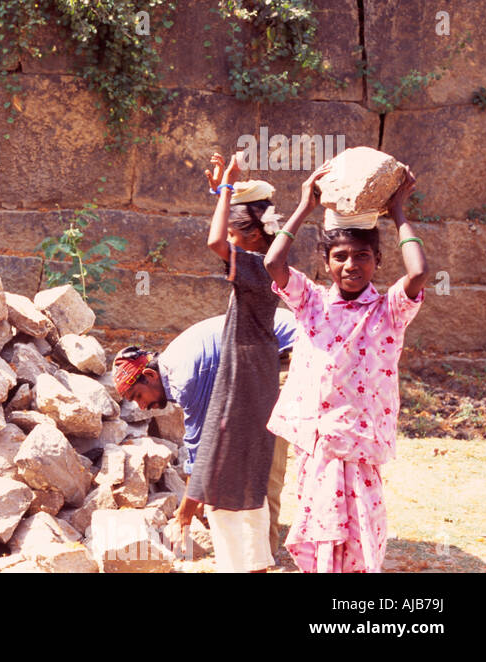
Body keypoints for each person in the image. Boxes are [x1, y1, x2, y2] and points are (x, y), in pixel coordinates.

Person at [263, 161, 425, 573]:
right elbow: (273, 265)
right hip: (319, 444)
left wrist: (399, 212)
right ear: (326, 260)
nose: (352, 265)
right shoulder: (311, 302)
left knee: (362, 535)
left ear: (377, 260)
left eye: (363, 256)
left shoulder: (388, 310)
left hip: (362, 444)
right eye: (341, 257)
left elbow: (419, 272)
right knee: (321, 536)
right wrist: (304, 206)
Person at [112, 309, 299, 544]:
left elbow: (201, 449)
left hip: (290, 354)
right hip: (264, 357)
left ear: (150, 375)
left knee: (262, 464)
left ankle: (263, 556)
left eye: (138, 396)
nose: (141, 406)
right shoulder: (175, 367)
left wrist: (184, 514)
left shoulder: (184, 377)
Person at [184, 151, 288, 572]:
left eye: (233, 232)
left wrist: (227, 186)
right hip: (251, 366)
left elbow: (213, 242)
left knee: (243, 458)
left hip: (249, 371)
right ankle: (255, 555)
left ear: (248, 235)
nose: (227, 240)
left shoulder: (259, 265)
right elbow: (222, 236)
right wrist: (220, 190)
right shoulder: (265, 259)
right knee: (244, 459)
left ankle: (256, 556)